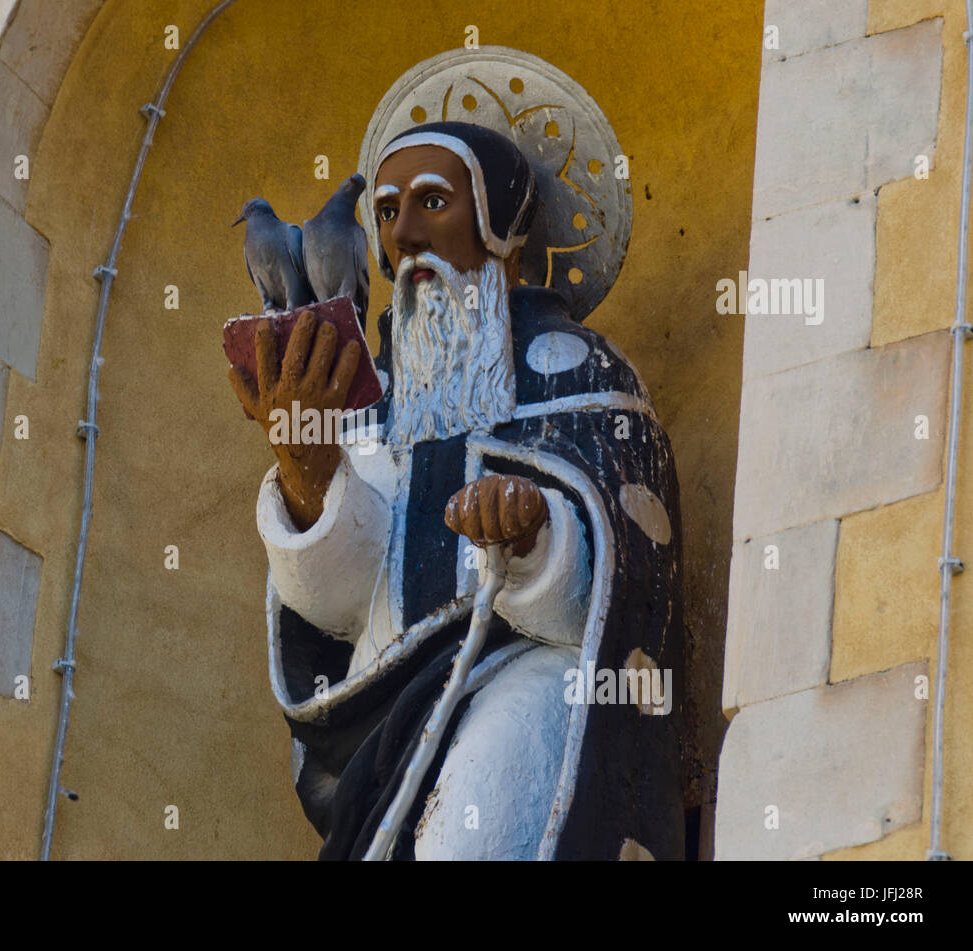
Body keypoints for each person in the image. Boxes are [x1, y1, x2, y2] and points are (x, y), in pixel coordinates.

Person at [229, 122, 685, 860]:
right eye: (384, 212)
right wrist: (308, 472)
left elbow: (632, 574)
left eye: (431, 202)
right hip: (382, 718)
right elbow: (340, 603)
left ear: (499, 222)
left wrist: (539, 537)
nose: (404, 234)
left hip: (525, 669)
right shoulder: (365, 400)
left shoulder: (581, 373)